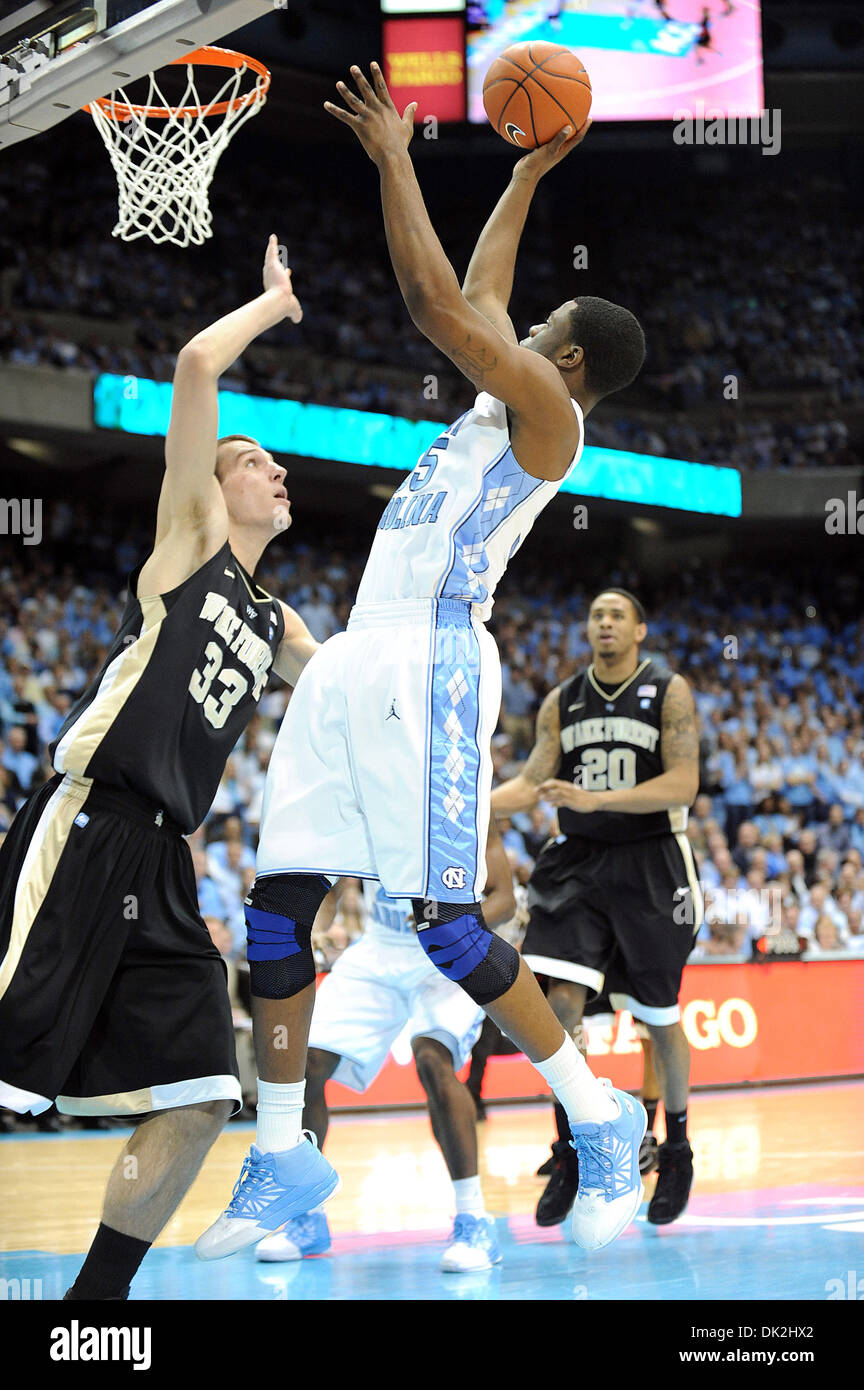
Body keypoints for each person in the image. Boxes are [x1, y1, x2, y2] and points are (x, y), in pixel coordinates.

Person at [196, 64, 648, 1262]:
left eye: (543, 330)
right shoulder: (514, 395)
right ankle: (286, 1152)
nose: (524, 324)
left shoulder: (552, 421)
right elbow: (486, 291)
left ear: (571, 362)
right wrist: (520, 174)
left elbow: (444, 306)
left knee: (448, 924)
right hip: (358, 653)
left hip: (437, 661)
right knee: (279, 910)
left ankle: (599, 1117)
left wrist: (397, 159)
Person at [0, 238, 320, 1301]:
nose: (271, 469)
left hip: (162, 867)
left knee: (198, 1092)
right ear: (214, 484)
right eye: (250, 458)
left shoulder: (281, 622)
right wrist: (273, 305)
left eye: (277, 466)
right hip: (87, 825)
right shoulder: (189, 543)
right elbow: (194, 366)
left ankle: (95, 1311)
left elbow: (355, 681)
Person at [491, 588, 702, 1227]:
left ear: (639, 629)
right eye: (595, 615)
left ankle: (677, 1147)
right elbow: (532, 784)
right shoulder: (562, 699)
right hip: (577, 864)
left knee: (658, 1018)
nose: (604, 623)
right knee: (554, 1005)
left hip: (651, 862)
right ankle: (575, 1144)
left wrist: (596, 800)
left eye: (617, 615)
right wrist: (461, 804)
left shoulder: (669, 691)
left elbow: (683, 784)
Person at [256, 822, 515, 1273]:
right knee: (307, 1061)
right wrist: (316, 927)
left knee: (433, 1061)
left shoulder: (458, 801)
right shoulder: (367, 802)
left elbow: (505, 898)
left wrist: (455, 926)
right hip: (379, 948)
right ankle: (306, 1216)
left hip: (450, 948)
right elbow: (332, 890)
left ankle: (474, 1219)